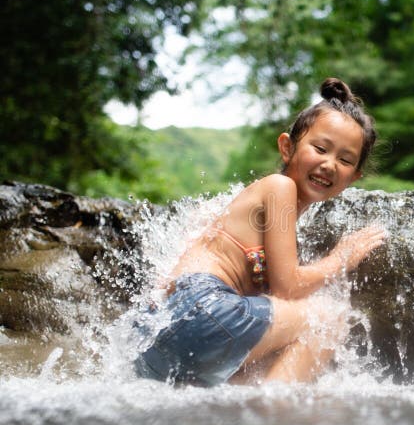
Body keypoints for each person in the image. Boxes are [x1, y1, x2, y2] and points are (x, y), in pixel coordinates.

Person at [133, 78, 385, 386]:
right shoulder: (279, 188)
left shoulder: (259, 206)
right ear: (287, 147)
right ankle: (273, 415)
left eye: (345, 160)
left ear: (354, 176)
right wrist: (341, 258)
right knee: (329, 317)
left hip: (156, 339)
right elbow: (287, 288)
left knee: (257, 370)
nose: (329, 164)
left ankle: (251, 411)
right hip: (204, 311)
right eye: (320, 149)